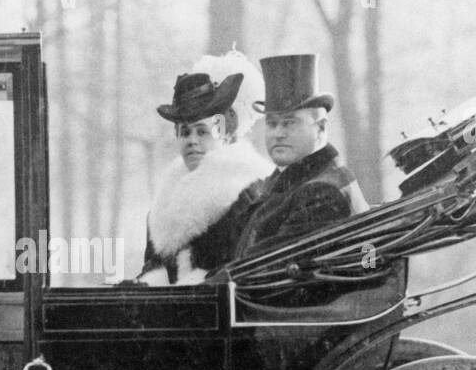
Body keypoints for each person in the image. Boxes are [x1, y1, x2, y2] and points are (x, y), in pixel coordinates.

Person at [133, 51, 273, 285]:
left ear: (225, 134)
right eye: (185, 132)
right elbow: (154, 265)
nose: (192, 141)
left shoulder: (246, 194)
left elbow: (242, 272)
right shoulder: (163, 206)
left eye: (202, 131)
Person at [235, 54, 368, 256]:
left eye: (290, 122)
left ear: (321, 128)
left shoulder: (322, 192)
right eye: (271, 123)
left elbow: (261, 271)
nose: (278, 133)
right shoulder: (292, 181)